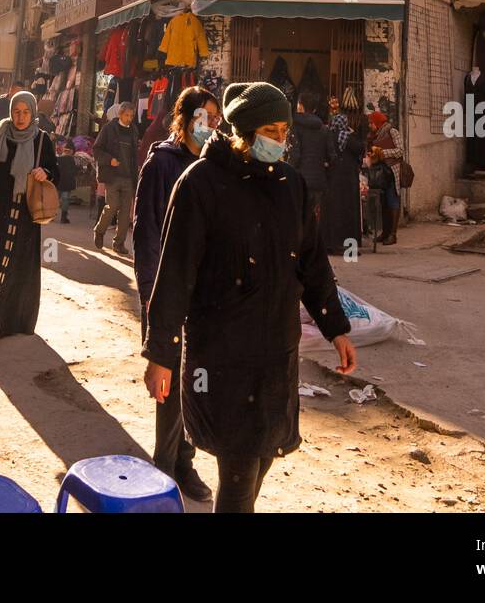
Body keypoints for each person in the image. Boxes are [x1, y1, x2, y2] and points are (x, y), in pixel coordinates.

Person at [142, 80, 357, 514]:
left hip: (277, 352)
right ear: (243, 132)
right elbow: (175, 274)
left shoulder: (290, 185)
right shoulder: (200, 183)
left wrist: (336, 327)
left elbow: (312, 265)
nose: (280, 141)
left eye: (285, 131)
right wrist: (161, 353)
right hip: (223, 356)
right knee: (239, 473)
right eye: (271, 131)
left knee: (262, 459)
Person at [133, 86, 219, 503]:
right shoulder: (162, 163)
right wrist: (152, 295)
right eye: (203, 118)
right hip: (166, 291)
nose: (210, 127)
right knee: (168, 384)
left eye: (215, 120)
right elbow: (146, 231)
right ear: (183, 119)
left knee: (195, 383)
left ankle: (184, 461)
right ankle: (164, 469)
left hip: (201, 296)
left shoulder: (209, 166)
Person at [0, 91, 59, 341]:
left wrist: (44, 172)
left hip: (26, 217)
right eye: (17, 111)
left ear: (33, 113)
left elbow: (57, 173)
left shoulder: (41, 140)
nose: (21, 117)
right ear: (10, 111)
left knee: (18, 269)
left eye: (26, 112)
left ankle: (12, 319)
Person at [93, 102, 139, 253]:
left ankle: (119, 243)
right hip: (112, 177)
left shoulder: (133, 131)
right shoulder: (108, 129)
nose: (129, 118)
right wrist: (109, 160)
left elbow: (134, 155)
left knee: (125, 213)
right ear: (120, 114)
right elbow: (97, 149)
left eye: (132, 116)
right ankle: (99, 231)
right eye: (127, 115)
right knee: (112, 206)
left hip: (128, 177)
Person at [287, 89, 336, 224]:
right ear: (314, 109)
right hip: (319, 180)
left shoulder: (295, 127)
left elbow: (295, 155)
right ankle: (314, 243)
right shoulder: (324, 129)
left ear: (300, 106)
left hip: (300, 180)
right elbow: (332, 156)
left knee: (299, 217)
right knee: (316, 218)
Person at [325, 96, 366, 256]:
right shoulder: (349, 138)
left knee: (332, 212)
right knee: (349, 214)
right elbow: (360, 150)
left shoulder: (328, 136)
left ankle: (331, 244)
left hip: (332, 180)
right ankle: (350, 247)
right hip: (348, 181)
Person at [368, 110, 403, 244]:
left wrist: (383, 153)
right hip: (382, 174)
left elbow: (400, 150)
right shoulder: (374, 135)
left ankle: (393, 234)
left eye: (371, 123)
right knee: (383, 203)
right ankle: (385, 232)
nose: (370, 125)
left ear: (377, 122)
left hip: (392, 172)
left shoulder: (392, 131)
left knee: (393, 200)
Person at [56, 140, 77, 223]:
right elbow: (74, 172)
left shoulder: (58, 159)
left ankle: (50, 215)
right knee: (65, 200)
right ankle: (63, 218)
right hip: (67, 184)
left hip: (58, 183)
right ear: (71, 151)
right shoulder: (72, 160)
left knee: (55, 199)